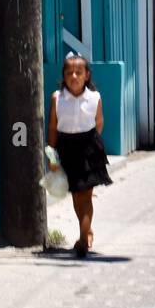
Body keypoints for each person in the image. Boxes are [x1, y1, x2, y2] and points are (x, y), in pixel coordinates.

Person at [47, 53, 111, 258]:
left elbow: (99, 122)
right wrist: (52, 156)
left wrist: (91, 144)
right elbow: (52, 127)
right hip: (67, 148)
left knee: (85, 195)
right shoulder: (57, 98)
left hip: (89, 149)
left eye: (78, 72)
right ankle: (87, 230)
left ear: (86, 75)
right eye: (69, 73)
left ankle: (83, 239)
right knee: (76, 194)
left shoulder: (95, 97)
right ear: (64, 76)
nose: (74, 76)